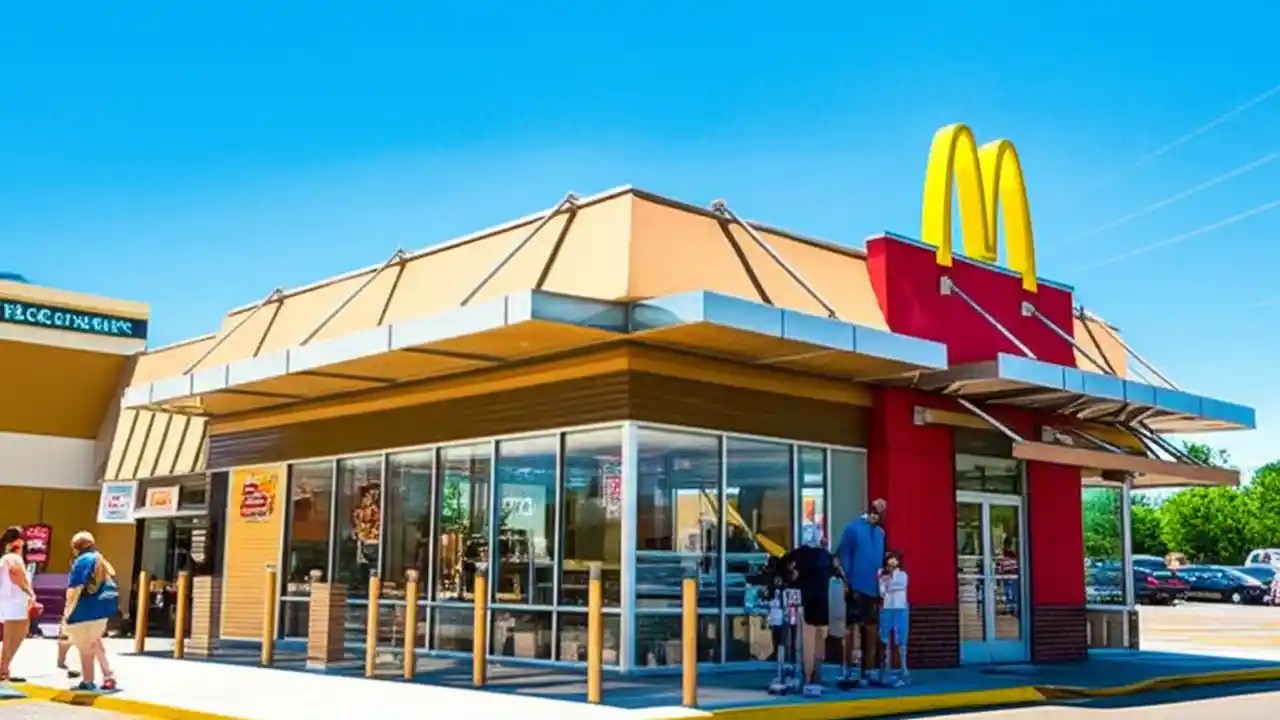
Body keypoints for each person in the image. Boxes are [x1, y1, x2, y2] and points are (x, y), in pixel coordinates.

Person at [777, 537, 840, 697]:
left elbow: (782, 570)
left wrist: (790, 576)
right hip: (824, 604)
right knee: (819, 642)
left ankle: (806, 678)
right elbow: (837, 575)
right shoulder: (826, 556)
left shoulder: (797, 555)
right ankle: (816, 678)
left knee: (807, 644)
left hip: (806, 603)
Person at [835, 498, 887, 685]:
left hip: (874, 588)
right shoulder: (853, 529)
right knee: (852, 629)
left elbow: (881, 561)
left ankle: (869, 668)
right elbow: (842, 554)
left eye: (881, 514)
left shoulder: (880, 533)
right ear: (870, 511)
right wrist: (846, 581)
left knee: (872, 630)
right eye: (876, 512)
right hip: (855, 585)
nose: (878, 516)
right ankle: (848, 668)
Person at [63, 531, 119, 691]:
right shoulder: (100, 559)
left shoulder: (83, 560)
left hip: (86, 609)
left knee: (85, 646)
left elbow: (75, 588)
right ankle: (109, 675)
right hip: (103, 609)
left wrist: (67, 611)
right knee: (95, 641)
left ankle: (88, 680)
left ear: (76, 547)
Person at [1, 526, 39, 683]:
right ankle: (3, 668)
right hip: (16, 600)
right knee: (17, 634)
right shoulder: (14, 558)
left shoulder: (5, 558)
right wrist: (29, 592)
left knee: (10, 636)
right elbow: (15, 573)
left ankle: (4, 669)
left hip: (7, 600)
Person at [878, 550, 910, 687]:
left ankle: (904, 667)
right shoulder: (881, 574)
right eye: (889, 560)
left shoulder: (903, 574)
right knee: (886, 639)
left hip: (900, 607)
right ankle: (887, 667)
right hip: (887, 608)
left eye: (894, 560)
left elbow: (901, 585)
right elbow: (882, 591)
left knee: (901, 639)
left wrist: (889, 583)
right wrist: (886, 582)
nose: (892, 562)